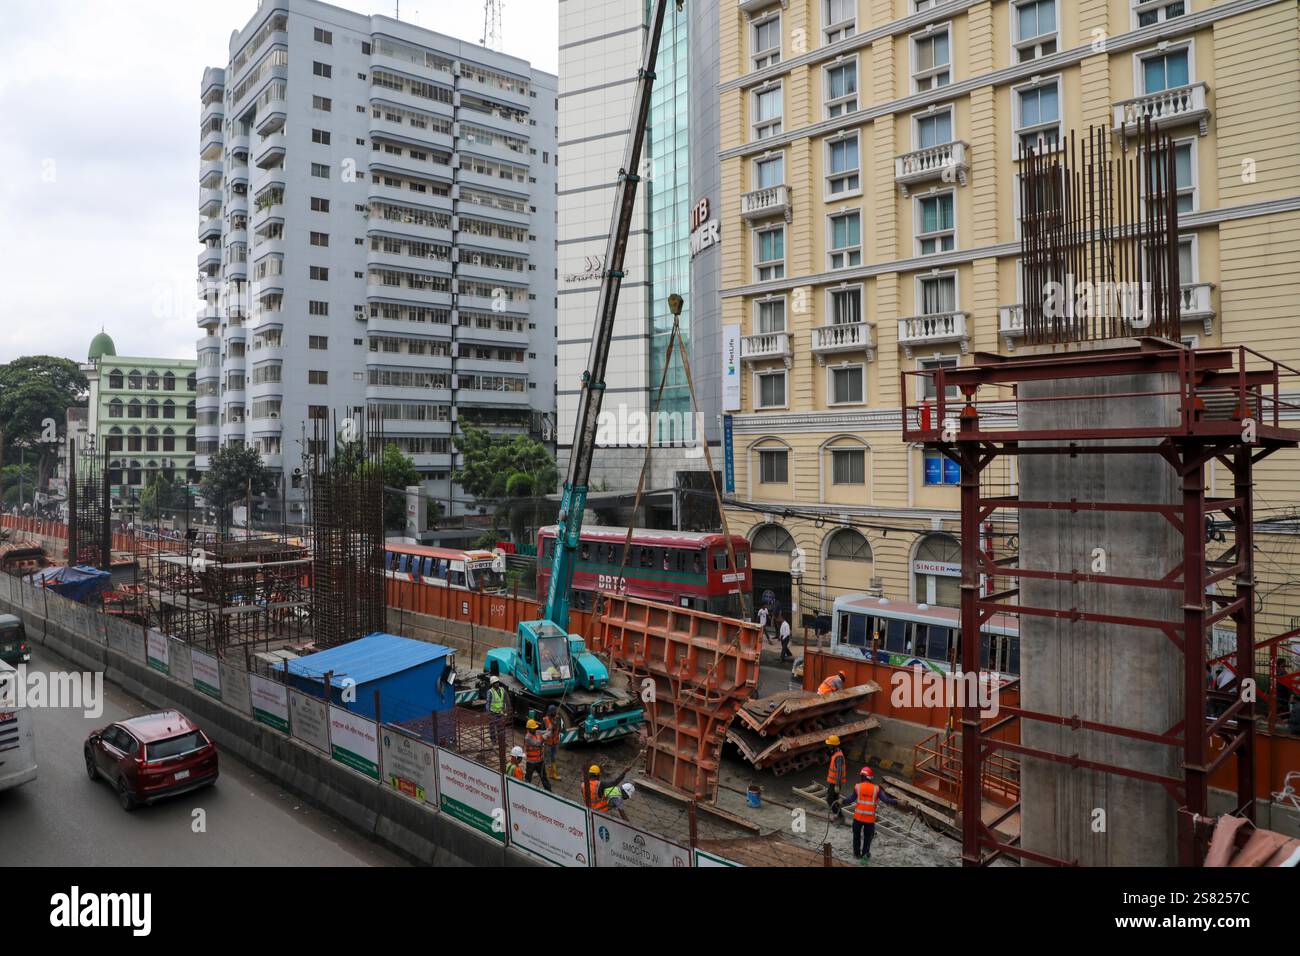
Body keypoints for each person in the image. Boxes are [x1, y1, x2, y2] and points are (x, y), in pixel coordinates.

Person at [851, 766, 898, 864]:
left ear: (862, 776)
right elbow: (886, 800)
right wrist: (897, 802)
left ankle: (856, 854)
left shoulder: (857, 787)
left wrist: (841, 801)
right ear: (870, 777)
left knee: (856, 836)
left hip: (857, 818)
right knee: (868, 839)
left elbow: (850, 799)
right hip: (869, 820)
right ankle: (864, 856)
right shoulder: (877, 789)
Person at [523, 719, 551, 791]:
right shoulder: (527, 738)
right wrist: (544, 738)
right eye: (533, 728)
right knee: (528, 778)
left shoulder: (537, 732)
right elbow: (537, 743)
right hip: (531, 762)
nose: (535, 729)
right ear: (528, 729)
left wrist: (550, 729)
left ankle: (548, 791)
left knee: (544, 777)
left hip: (540, 761)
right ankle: (526, 790)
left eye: (535, 728)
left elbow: (546, 732)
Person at [824, 735, 847, 821]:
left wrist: (837, 785)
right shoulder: (836, 753)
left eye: (829, 745)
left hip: (835, 783)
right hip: (833, 782)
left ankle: (839, 816)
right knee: (835, 800)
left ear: (833, 745)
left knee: (830, 799)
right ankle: (839, 815)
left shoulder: (838, 757)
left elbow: (839, 771)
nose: (828, 746)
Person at [486, 674, 507, 744]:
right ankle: (493, 741)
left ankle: (501, 740)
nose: (497, 684)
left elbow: (504, 701)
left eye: (498, 682)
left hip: (500, 712)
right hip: (492, 713)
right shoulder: (490, 692)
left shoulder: (502, 690)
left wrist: (504, 710)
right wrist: (488, 713)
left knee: (500, 727)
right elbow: (488, 703)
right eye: (495, 683)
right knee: (492, 728)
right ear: (492, 684)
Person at [542, 704, 562, 781]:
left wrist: (556, 722)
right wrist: (554, 722)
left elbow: (558, 728)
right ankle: (547, 775)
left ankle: (553, 774)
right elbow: (548, 729)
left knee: (553, 758)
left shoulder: (557, 718)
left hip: (555, 742)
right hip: (548, 743)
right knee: (547, 759)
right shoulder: (545, 720)